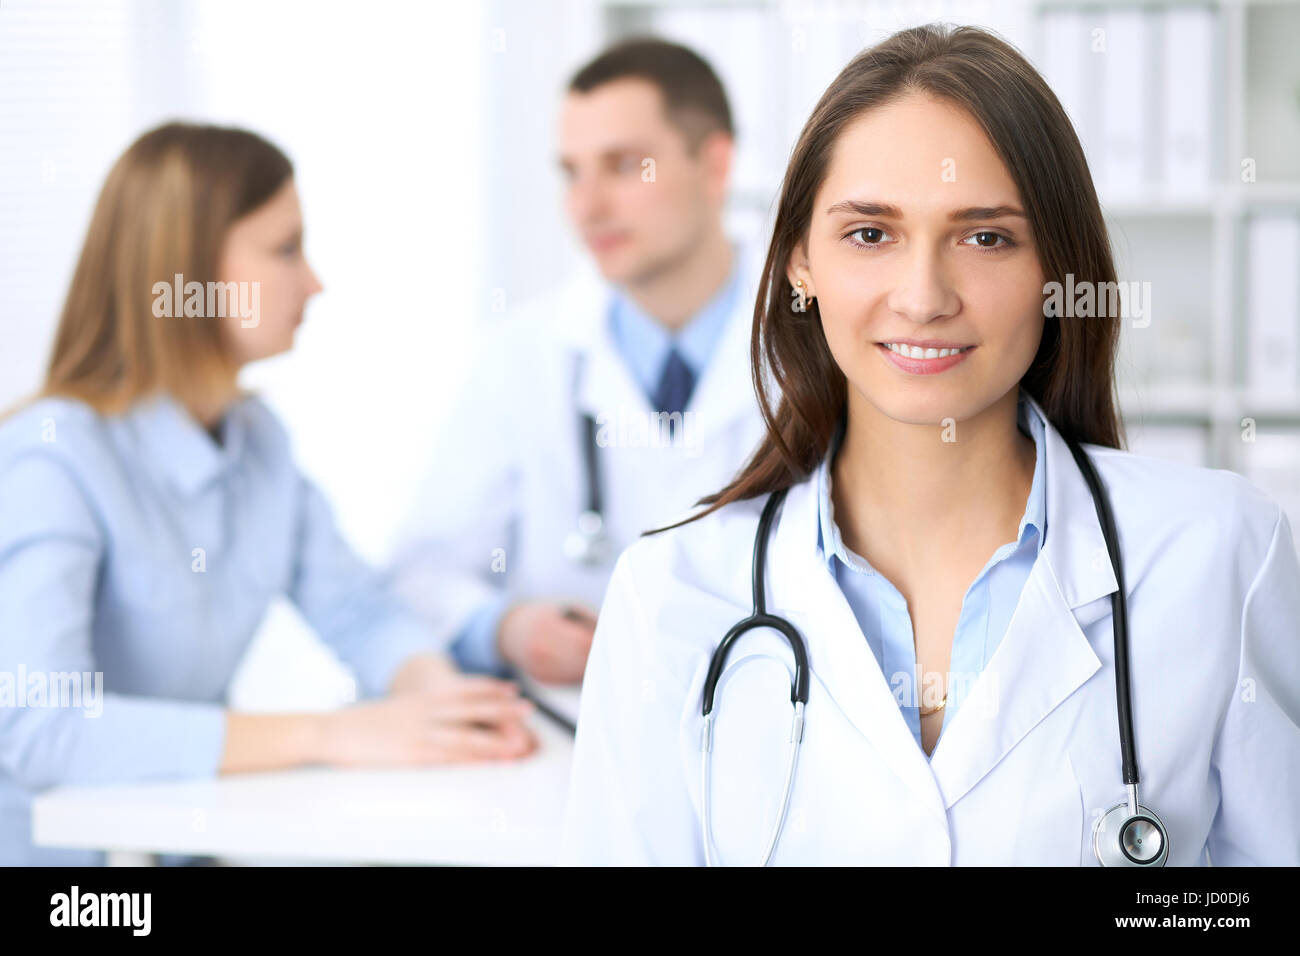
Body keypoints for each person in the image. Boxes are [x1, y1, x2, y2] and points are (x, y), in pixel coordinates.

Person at [558, 23, 1300, 865]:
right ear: (801, 262)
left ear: (1056, 270)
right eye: (869, 234)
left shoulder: (1220, 556)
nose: (922, 297)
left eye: (985, 237)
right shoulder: (667, 595)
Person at [0, 122, 537, 867]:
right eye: (285, 249)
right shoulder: (52, 460)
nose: (313, 282)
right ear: (188, 273)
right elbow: (37, 726)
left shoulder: (257, 441)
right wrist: (330, 734)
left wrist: (441, 704)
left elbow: (358, 609)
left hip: (182, 849)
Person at [387, 38, 766, 694]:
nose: (586, 207)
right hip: (574, 746)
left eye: (624, 166)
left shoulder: (819, 340)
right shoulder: (525, 357)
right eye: (571, 172)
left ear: (715, 165)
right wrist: (505, 628)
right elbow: (421, 574)